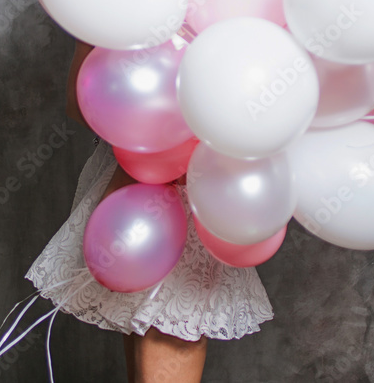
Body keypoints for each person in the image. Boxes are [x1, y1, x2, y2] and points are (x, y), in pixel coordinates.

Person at [25, 38, 274, 383]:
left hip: (187, 180)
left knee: (163, 325)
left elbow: (80, 100)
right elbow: (79, 100)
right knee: (155, 324)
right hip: (161, 180)